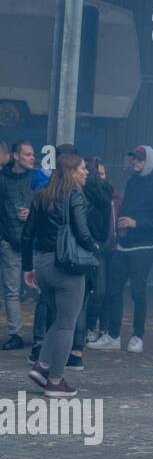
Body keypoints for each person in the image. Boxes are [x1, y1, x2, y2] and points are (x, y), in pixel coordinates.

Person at [22, 151, 99, 398]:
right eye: (83, 168)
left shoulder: (41, 196)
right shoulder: (74, 195)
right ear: (71, 172)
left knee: (60, 319)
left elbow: (27, 235)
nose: (87, 172)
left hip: (42, 265)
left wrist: (27, 268)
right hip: (66, 266)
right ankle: (55, 381)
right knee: (68, 324)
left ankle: (42, 366)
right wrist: (95, 248)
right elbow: (83, 232)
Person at [88, 145, 153, 353]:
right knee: (113, 291)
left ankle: (137, 337)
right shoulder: (132, 182)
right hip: (123, 247)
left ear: (149, 162)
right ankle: (113, 336)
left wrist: (136, 223)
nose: (135, 163)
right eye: (134, 159)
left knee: (138, 293)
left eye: (140, 160)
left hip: (143, 248)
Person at [0, 139, 37, 350]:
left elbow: (49, 207)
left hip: (36, 244)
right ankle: (16, 334)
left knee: (43, 289)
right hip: (11, 244)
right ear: (15, 156)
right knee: (12, 291)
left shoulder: (38, 179)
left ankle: (42, 333)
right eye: (28, 154)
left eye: (33, 154)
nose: (32, 158)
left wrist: (33, 214)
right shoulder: (2, 179)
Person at [82, 157, 115, 345]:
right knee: (96, 290)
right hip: (98, 246)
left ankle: (87, 329)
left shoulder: (81, 191)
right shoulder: (107, 194)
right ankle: (88, 329)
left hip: (94, 245)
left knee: (94, 291)